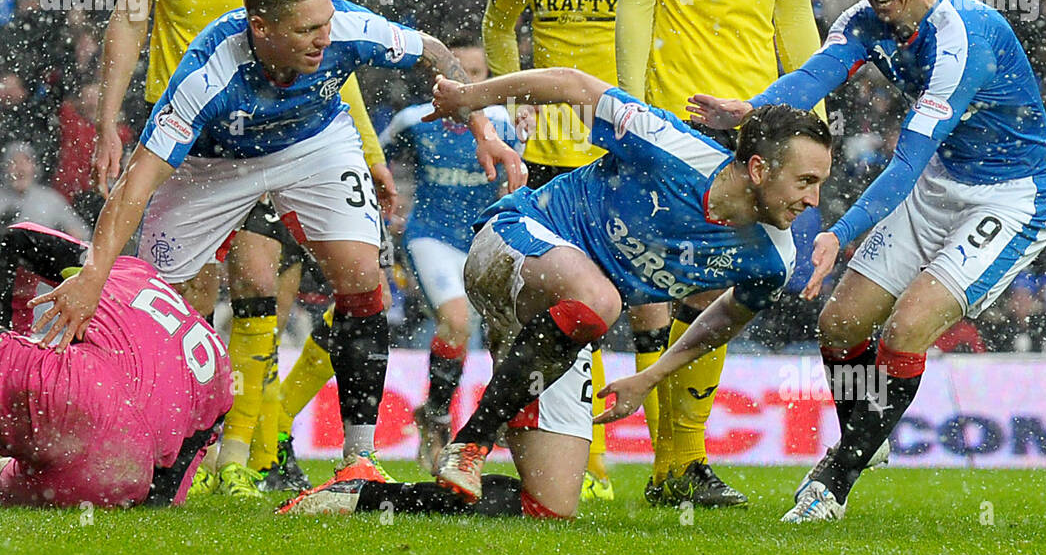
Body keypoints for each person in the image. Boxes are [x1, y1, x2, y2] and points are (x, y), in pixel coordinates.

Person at [31, 0, 524, 498]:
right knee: (164, 301)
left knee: (363, 278)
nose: (323, 38)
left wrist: (480, 125)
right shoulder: (207, 73)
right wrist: (94, 275)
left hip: (314, 145)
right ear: (260, 29)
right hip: (212, 165)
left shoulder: (350, 28)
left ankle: (358, 460)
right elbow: (135, 186)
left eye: (325, 23)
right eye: (307, 30)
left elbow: (432, 51)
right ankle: (170, 449)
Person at [277, 66, 830, 519]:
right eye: (806, 182)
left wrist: (648, 377)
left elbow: (725, 320)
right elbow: (576, 86)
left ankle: (358, 498)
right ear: (757, 168)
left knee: (549, 505)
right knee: (603, 300)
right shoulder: (677, 151)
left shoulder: (771, 259)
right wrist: (472, 96)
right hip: (512, 243)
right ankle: (470, 443)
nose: (813, 199)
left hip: (562, 325)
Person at [687, 0, 1046, 522]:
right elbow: (812, 80)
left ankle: (832, 481)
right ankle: (870, 430)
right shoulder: (863, 22)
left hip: (1010, 195)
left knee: (905, 330)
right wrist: (749, 111)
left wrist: (840, 233)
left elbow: (906, 162)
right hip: (942, 183)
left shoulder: (961, 40)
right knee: (838, 327)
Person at [93, 0, 387, 499]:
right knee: (183, 298)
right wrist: (107, 118)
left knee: (259, 278)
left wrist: (363, 141)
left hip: (270, 121)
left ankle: (243, 455)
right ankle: (180, 452)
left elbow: (321, 28)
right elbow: (130, 13)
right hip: (184, 120)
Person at [614, 0, 823, 506]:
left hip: (760, 128)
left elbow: (794, 16)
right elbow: (634, 5)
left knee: (726, 291)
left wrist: (812, 118)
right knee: (674, 288)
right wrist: (627, 113)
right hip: (675, 119)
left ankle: (678, 466)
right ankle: (667, 463)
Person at [239, 0, 397, 492]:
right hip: (250, 144)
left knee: (350, 292)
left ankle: (267, 434)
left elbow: (339, 70)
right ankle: (249, 446)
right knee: (261, 295)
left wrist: (369, 147)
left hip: (316, 146)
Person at [0, 222, 232, 508]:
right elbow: (171, 489)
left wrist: (17, 336)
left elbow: (21, 239)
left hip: (70, 392)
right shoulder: (220, 363)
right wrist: (133, 493)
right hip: (117, 473)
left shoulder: (130, 270)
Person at [480, 0, 621, 500]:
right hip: (544, 159)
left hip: (611, 154)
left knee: (616, 309)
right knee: (537, 310)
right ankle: (545, 450)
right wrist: (516, 95)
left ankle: (622, 459)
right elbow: (498, 27)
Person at [378, 43, 516, 472]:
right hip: (431, 235)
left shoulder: (504, 124)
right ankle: (439, 418)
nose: (467, 80)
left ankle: (448, 415)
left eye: (476, 71)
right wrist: (387, 205)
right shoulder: (413, 120)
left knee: (500, 334)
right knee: (457, 320)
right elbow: (374, 163)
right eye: (459, 71)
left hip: (482, 240)